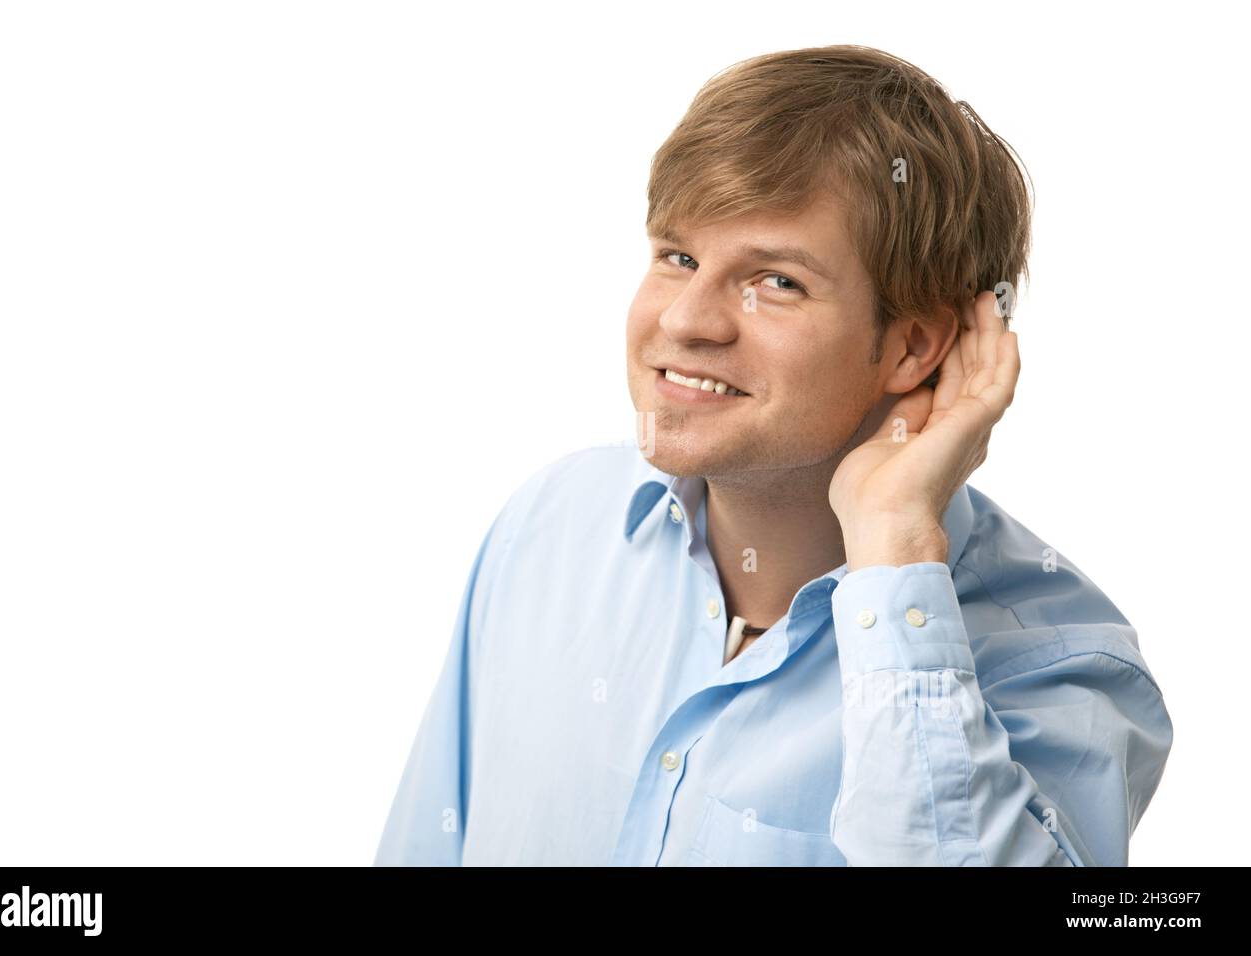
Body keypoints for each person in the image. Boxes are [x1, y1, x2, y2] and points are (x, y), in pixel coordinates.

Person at [372, 44, 1173, 866]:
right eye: (678, 257)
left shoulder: (1062, 670)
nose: (685, 321)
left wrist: (893, 546)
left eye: (775, 282)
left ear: (916, 345)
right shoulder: (551, 526)